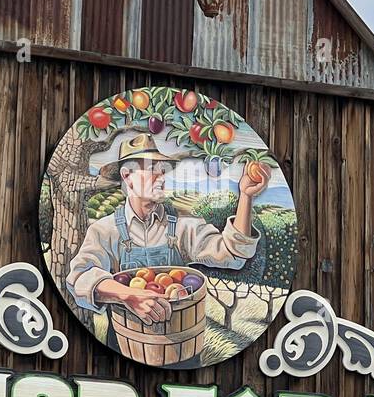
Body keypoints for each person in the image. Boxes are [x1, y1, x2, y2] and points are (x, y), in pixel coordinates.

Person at [67, 133, 270, 325]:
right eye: (152, 170)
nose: (162, 178)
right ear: (127, 176)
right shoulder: (104, 230)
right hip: (122, 345)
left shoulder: (183, 225)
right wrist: (128, 294)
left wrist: (246, 196)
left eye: (162, 171)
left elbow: (233, 254)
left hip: (180, 342)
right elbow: (80, 278)